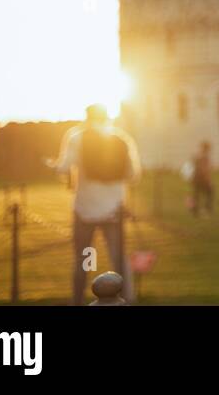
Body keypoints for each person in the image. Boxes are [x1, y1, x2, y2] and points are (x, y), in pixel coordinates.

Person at [46, 104, 142, 304]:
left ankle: (78, 300)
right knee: (119, 259)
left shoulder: (76, 137)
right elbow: (133, 175)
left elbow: (63, 167)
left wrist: (53, 165)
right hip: (114, 209)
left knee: (83, 259)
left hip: (85, 209)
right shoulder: (121, 138)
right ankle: (127, 299)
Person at [191, 141, 214, 217]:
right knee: (209, 192)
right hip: (202, 178)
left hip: (195, 177)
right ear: (206, 148)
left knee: (196, 194)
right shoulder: (204, 156)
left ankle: (194, 210)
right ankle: (206, 209)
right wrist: (208, 179)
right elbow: (204, 168)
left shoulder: (197, 155)